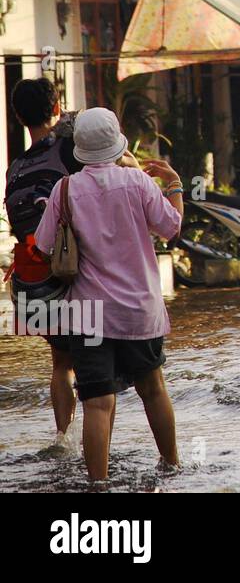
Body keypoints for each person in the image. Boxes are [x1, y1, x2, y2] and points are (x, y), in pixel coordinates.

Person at [32, 108, 182, 481]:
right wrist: (175, 185)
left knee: (97, 403)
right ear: (117, 142)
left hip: (90, 313)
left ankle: (98, 486)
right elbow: (171, 228)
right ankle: (172, 467)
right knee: (153, 388)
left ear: (80, 147)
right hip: (139, 309)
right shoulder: (139, 183)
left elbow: (45, 246)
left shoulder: (65, 189)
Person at [3, 78, 80, 443]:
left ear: (18, 117)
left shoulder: (14, 168)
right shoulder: (68, 151)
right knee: (94, 362)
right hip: (71, 273)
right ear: (55, 108)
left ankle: (63, 436)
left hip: (32, 281)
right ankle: (95, 447)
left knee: (61, 363)